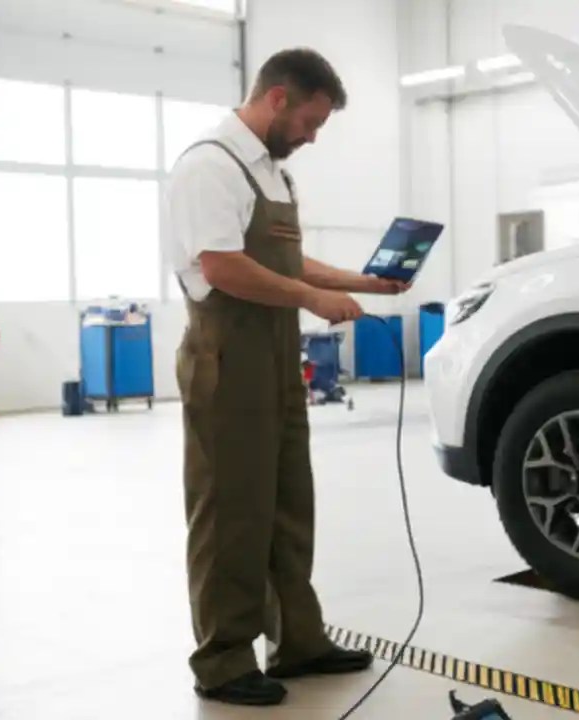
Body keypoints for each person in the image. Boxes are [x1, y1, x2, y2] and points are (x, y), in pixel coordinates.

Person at [164, 47, 405, 706]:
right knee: (231, 515)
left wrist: (363, 282)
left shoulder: (271, 171)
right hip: (226, 361)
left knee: (289, 506)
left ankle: (299, 641)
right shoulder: (210, 165)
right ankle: (223, 659)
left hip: (274, 361)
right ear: (278, 99)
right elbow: (223, 267)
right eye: (310, 120)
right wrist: (309, 301)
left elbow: (290, 262)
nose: (312, 135)